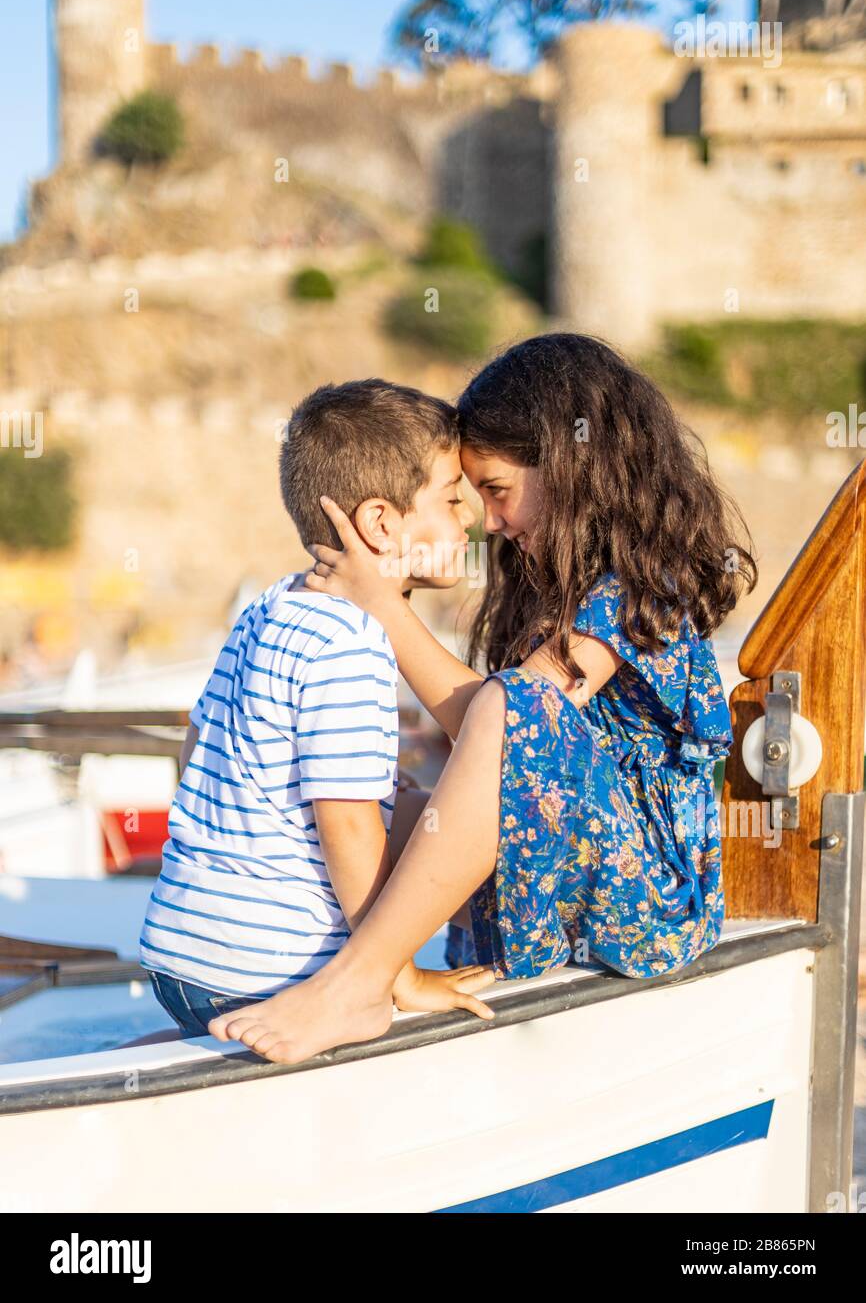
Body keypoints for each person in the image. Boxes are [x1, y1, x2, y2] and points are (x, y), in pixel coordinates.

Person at [206, 332, 757, 1065]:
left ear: (571, 469)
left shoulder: (637, 593)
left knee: (510, 706)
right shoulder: (548, 586)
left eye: (496, 491)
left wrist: (382, 605)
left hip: (649, 906)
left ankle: (360, 981)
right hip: (565, 865)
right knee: (364, 797)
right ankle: (223, 971)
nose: (490, 521)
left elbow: (502, 721)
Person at [136, 378, 496, 1040]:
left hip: (178, 956)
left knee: (424, 805)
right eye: (450, 498)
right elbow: (349, 827)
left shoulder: (273, 606)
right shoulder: (349, 640)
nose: (469, 516)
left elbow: (197, 748)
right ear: (382, 524)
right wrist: (398, 974)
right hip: (268, 967)